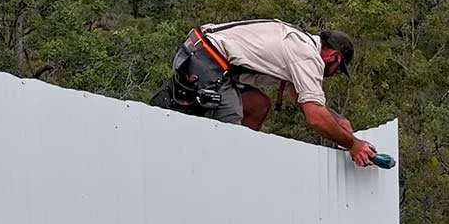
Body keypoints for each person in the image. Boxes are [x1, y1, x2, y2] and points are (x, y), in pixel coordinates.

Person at [149, 19, 377, 167]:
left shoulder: (298, 42)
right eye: (337, 71)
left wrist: (339, 122)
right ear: (334, 57)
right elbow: (315, 117)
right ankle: (223, 175)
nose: (331, 75)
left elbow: (300, 99)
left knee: (258, 104)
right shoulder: (307, 55)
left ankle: (233, 162)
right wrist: (353, 145)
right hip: (208, 61)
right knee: (231, 124)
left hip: (201, 53)